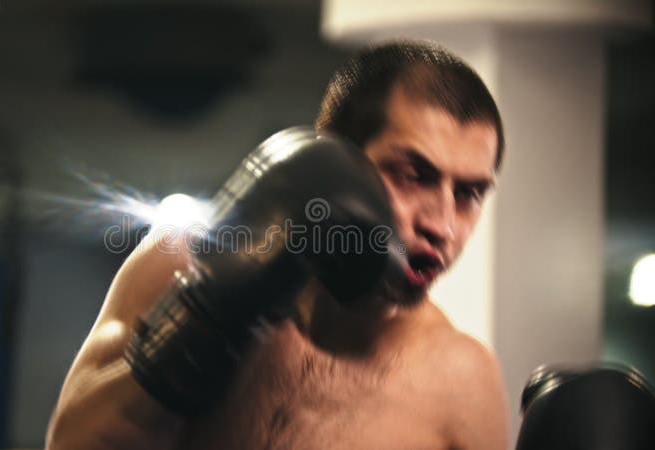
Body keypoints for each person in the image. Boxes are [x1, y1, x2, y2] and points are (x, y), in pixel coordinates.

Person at [46, 40, 508, 450]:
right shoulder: (179, 261)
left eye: (468, 194)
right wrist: (213, 306)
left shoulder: (462, 380)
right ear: (337, 160)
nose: (443, 226)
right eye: (412, 175)